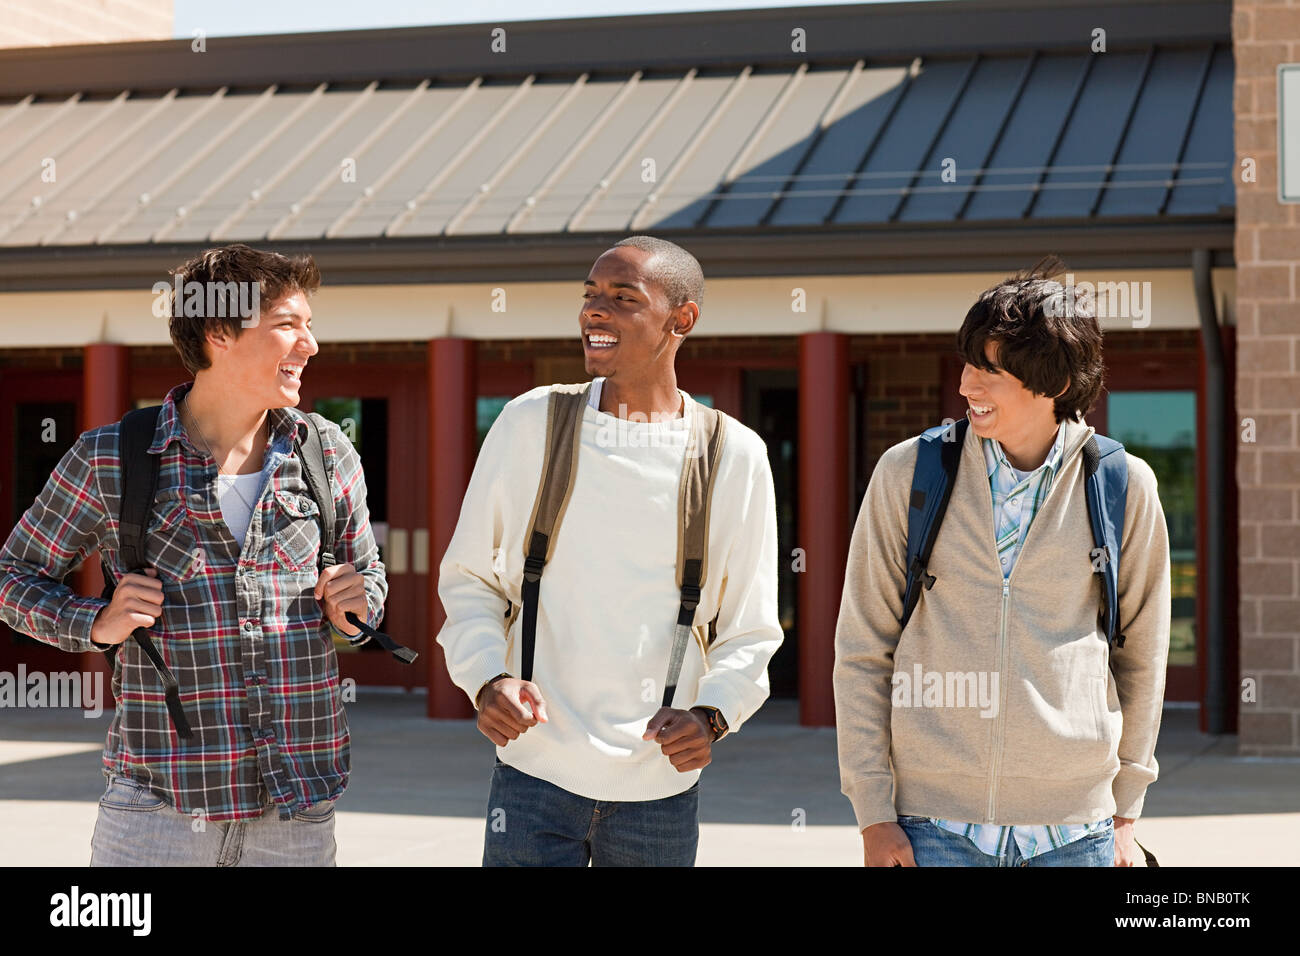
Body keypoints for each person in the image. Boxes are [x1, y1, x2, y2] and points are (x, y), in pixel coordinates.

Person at [0, 243, 387, 866]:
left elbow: (366, 583)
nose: (310, 344)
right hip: (158, 812)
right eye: (289, 325)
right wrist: (96, 622)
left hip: (296, 815)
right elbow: (11, 576)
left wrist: (357, 604)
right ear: (219, 332)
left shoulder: (327, 452)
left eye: (309, 326)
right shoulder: (112, 458)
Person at [437, 235, 783, 867]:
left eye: (623, 298)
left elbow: (751, 628)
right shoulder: (531, 422)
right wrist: (485, 678)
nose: (595, 311)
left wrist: (713, 716)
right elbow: (469, 580)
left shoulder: (733, 454)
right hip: (533, 771)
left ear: (682, 319)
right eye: (591, 296)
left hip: (659, 786)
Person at [833, 260, 1171, 867]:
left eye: (990, 370)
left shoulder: (1122, 485)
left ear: (1055, 385)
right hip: (933, 829)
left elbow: (1141, 657)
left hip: (1076, 833)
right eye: (967, 364)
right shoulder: (910, 474)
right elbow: (862, 650)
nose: (966, 385)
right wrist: (874, 815)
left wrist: (1124, 812)